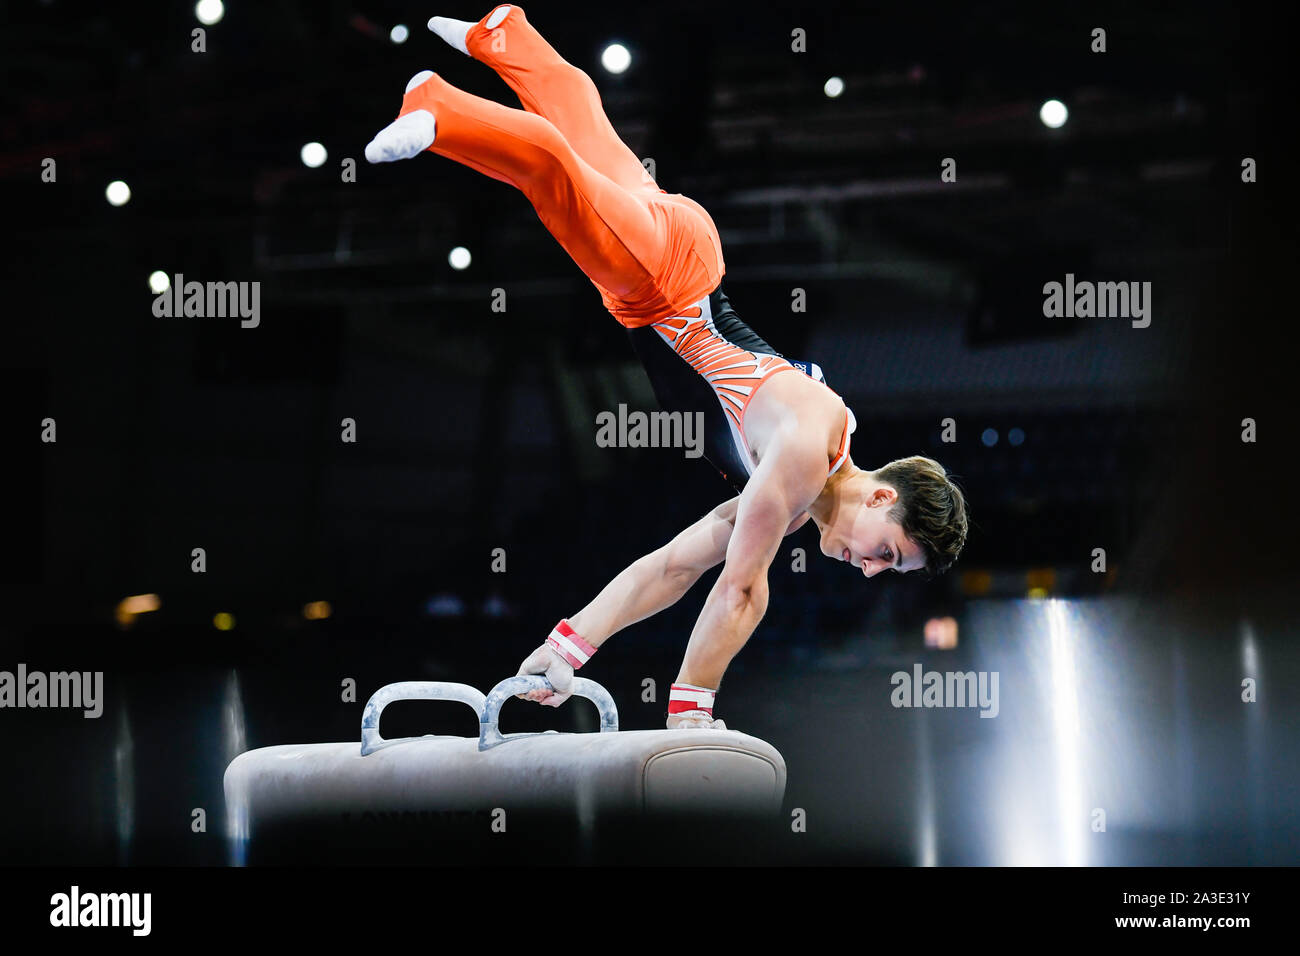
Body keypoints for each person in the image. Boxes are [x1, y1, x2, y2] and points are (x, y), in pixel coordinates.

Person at [367, 5, 968, 729]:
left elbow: (677, 565)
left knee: (583, 133)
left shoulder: (793, 487)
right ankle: (436, 104)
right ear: (880, 501)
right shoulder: (805, 455)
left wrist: (569, 646)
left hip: (675, 270)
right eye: (888, 556)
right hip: (666, 285)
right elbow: (741, 594)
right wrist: (691, 706)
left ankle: (504, 35)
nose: (867, 570)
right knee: (554, 172)